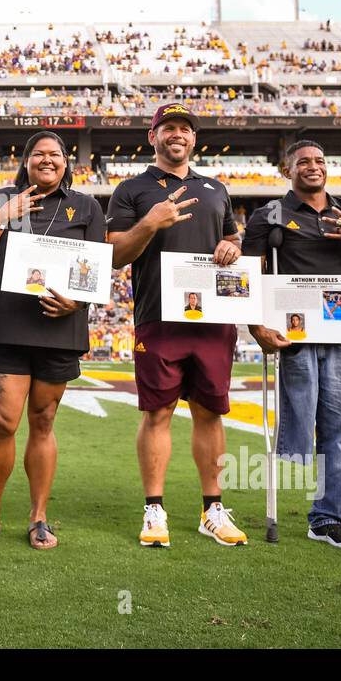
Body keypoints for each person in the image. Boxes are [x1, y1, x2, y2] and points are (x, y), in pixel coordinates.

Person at [106, 103, 246, 548]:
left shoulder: (215, 189)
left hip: (212, 319)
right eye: (169, 127)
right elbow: (115, 255)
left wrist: (231, 246)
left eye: (185, 128)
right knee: (158, 412)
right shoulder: (131, 189)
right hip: (158, 316)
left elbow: (231, 238)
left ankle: (212, 509)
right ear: (153, 136)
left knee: (210, 412)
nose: (178, 134)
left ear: (194, 138)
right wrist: (150, 223)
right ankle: (154, 508)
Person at [0, 130, 106, 550]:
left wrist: (77, 304)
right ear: (25, 162)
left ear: (66, 163)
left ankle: (38, 517)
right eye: (38, 154)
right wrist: (1, 217)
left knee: (43, 422)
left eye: (55, 154)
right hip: (9, 324)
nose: (47, 159)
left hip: (59, 328)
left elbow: (95, 270)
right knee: (2, 421)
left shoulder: (87, 206)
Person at [243, 140, 341, 549]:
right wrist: (256, 328)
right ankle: (311, 499)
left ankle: (328, 519)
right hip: (293, 336)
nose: (314, 166)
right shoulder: (269, 215)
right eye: (303, 161)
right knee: (300, 426)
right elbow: (250, 275)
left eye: (320, 160)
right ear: (286, 170)